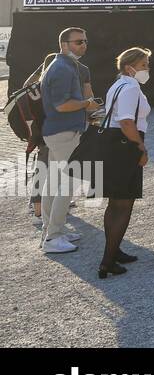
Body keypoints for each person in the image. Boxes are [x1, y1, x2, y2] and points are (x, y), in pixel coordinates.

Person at [38, 28, 98, 255]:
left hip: (59, 132)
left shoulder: (63, 65)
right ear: (64, 44)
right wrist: (87, 104)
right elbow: (62, 105)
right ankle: (53, 237)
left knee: (53, 182)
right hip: (64, 133)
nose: (83, 45)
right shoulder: (62, 68)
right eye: (78, 42)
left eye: (85, 41)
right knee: (68, 183)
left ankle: (53, 230)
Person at [96, 47, 151, 278]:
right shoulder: (129, 87)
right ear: (130, 67)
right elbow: (127, 122)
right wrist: (140, 147)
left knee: (115, 203)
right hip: (125, 145)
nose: (147, 70)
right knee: (123, 205)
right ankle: (107, 262)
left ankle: (114, 250)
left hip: (114, 145)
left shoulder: (118, 85)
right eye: (144, 66)